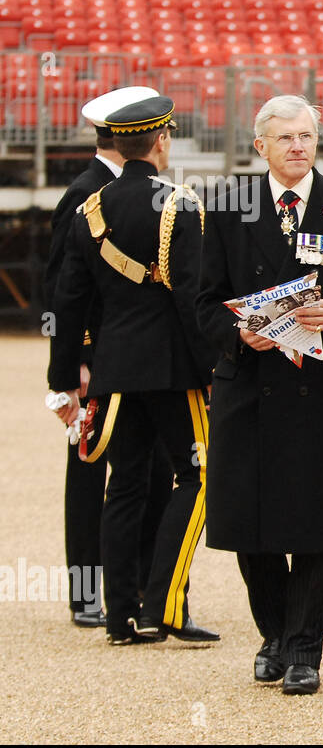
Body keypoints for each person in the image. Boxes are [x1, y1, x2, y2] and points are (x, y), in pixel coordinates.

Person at [197, 94, 323, 694]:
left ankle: (305, 647)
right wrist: (237, 335)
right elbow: (202, 302)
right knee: (248, 519)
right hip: (250, 387)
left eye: (306, 136)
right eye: (284, 138)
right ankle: (274, 632)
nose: (298, 147)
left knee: (320, 518)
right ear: (261, 146)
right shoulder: (227, 207)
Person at [46, 95, 218, 645]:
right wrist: (214, 370)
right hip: (172, 370)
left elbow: (67, 301)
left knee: (124, 487)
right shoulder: (180, 205)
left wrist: (62, 380)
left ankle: (119, 616)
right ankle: (163, 602)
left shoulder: (88, 210)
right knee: (197, 478)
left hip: (116, 370)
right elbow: (193, 301)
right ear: (161, 141)